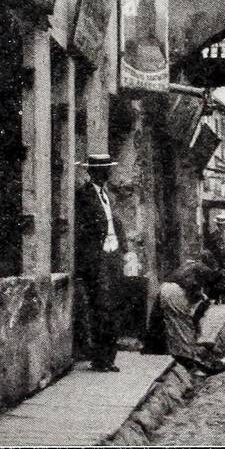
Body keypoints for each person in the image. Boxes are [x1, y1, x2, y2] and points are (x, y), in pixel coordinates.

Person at [74, 153, 127, 372]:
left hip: (113, 257)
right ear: (93, 172)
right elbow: (83, 230)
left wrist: (123, 250)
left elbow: (115, 223)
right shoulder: (83, 195)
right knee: (101, 308)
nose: (107, 173)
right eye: (103, 169)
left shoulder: (106, 194)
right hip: (97, 259)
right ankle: (100, 359)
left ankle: (109, 358)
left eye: (108, 168)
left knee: (114, 307)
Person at [155, 261, 225, 375]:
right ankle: (190, 364)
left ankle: (183, 356)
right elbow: (193, 317)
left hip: (165, 289)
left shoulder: (195, 267)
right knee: (183, 328)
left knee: (176, 328)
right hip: (174, 292)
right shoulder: (206, 275)